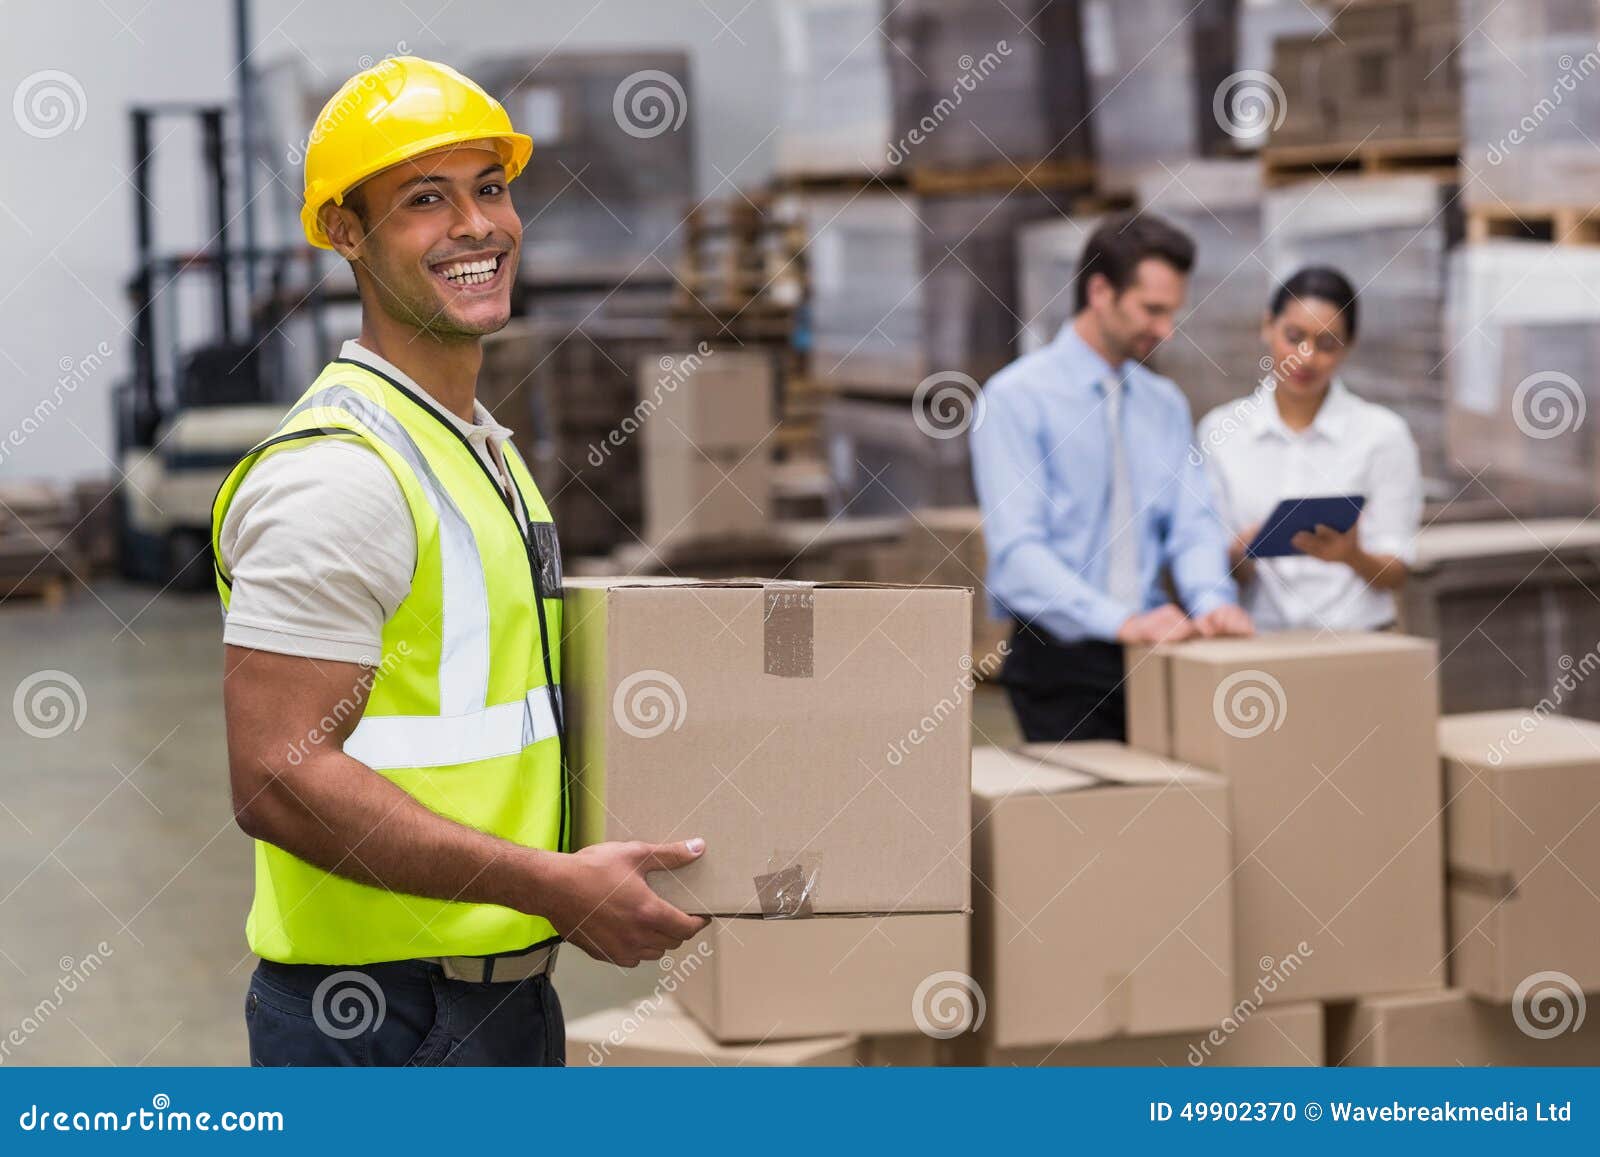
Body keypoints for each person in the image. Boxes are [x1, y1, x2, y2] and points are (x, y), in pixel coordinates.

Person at [211, 57, 707, 1067]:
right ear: (345, 232)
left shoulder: (476, 445)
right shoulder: (342, 476)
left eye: (489, 187)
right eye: (423, 200)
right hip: (381, 1019)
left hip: (494, 998)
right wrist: (548, 883)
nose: (476, 225)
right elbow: (275, 775)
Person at [972, 211, 1253, 744]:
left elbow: (1193, 524)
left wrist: (1214, 601)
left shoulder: (1163, 404)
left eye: (1172, 313)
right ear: (1100, 290)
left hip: (1153, 651)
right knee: (1094, 822)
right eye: (1152, 310)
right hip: (1061, 659)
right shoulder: (1014, 400)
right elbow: (1017, 553)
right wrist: (1117, 620)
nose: (1165, 330)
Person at [1196, 266, 1421, 632]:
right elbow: (1204, 563)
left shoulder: (1383, 435)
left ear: (1348, 346)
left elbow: (1396, 571)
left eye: (1327, 344)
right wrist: (1241, 552)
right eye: (1294, 336)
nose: (1307, 357)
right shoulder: (1220, 432)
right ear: (1267, 326)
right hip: (1257, 639)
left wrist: (1353, 556)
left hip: (1358, 637)